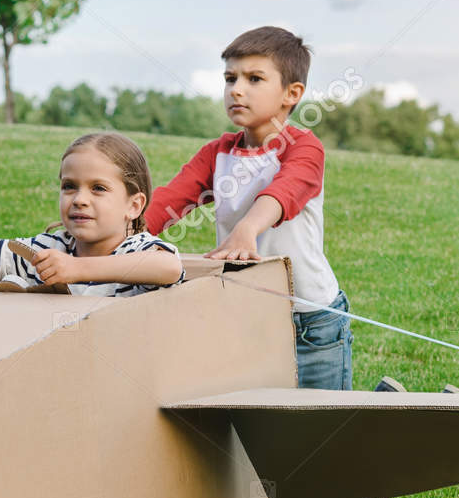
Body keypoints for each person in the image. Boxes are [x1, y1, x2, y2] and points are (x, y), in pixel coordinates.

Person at [143, 25, 364, 390]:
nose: (237, 89)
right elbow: (168, 202)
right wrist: (117, 236)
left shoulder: (304, 148)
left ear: (291, 94)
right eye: (230, 78)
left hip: (311, 323)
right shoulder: (217, 153)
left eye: (254, 78)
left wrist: (247, 229)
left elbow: (284, 192)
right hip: (246, 315)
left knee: (323, 427)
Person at [0, 131, 183, 297]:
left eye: (98, 188)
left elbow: (169, 267)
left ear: (134, 206)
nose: (79, 200)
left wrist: (77, 268)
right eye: (69, 186)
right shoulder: (47, 250)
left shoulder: (137, 249)